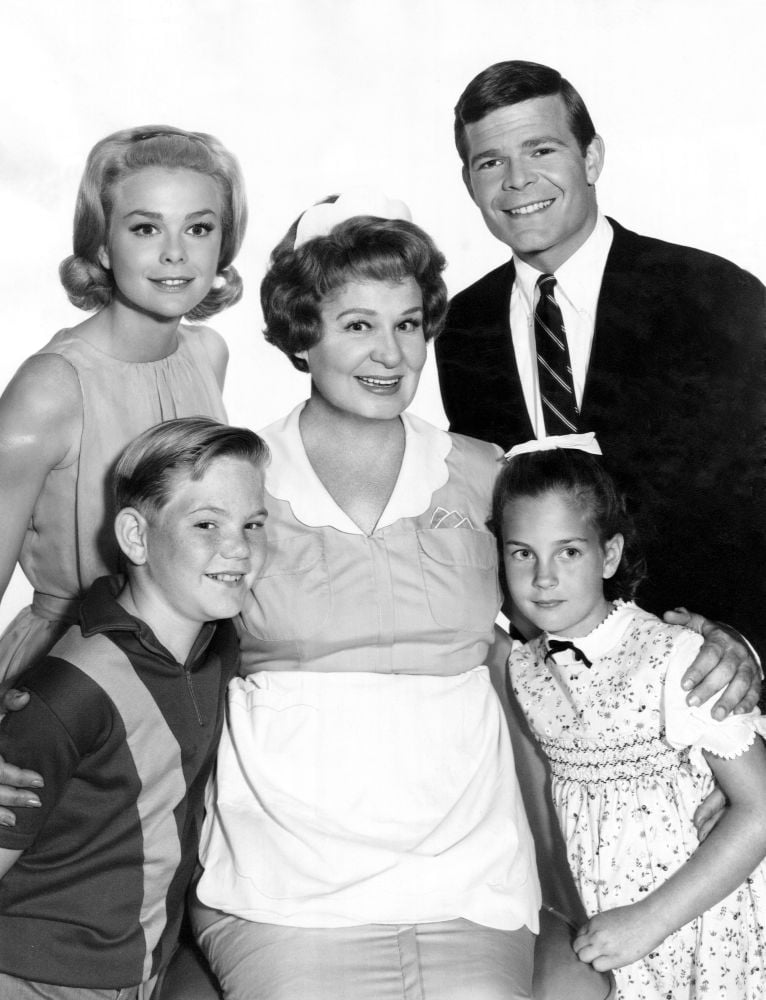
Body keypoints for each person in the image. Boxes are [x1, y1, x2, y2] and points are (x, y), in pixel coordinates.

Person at [191, 192, 541, 1000]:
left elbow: (575, 613)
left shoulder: (483, 471)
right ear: (301, 331)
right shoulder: (238, 479)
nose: (391, 354)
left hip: (470, 878)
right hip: (284, 886)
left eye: (409, 324)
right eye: (358, 324)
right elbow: (150, 636)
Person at [435, 58, 766, 673]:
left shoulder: (715, 297)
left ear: (591, 158)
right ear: (470, 183)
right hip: (561, 679)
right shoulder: (461, 328)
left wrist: (749, 643)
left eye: (541, 149)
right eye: (490, 162)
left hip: (714, 666)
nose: (516, 180)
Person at [0, 416, 269, 999]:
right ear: (137, 537)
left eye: (253, 523)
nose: (240, 547)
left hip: (141, 966)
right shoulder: (71, 688)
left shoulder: (216, 645)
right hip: (39, 976)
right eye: (206, 524)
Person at [492, 435, 766, 998]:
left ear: (609, 555)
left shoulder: (678, 656)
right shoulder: (524, 667)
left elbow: (760, 809)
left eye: (568, 551)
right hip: (609, 913)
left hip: (699, 914)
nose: (543, 577)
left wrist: (651, 919)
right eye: (523, 553)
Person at [0, 123, 247, 683]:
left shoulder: (207, 355)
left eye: (200, 228)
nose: (175, 254)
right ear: (103, 245)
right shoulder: (51, 388)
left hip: (188, 663)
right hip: (66, 674)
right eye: (145, 228)